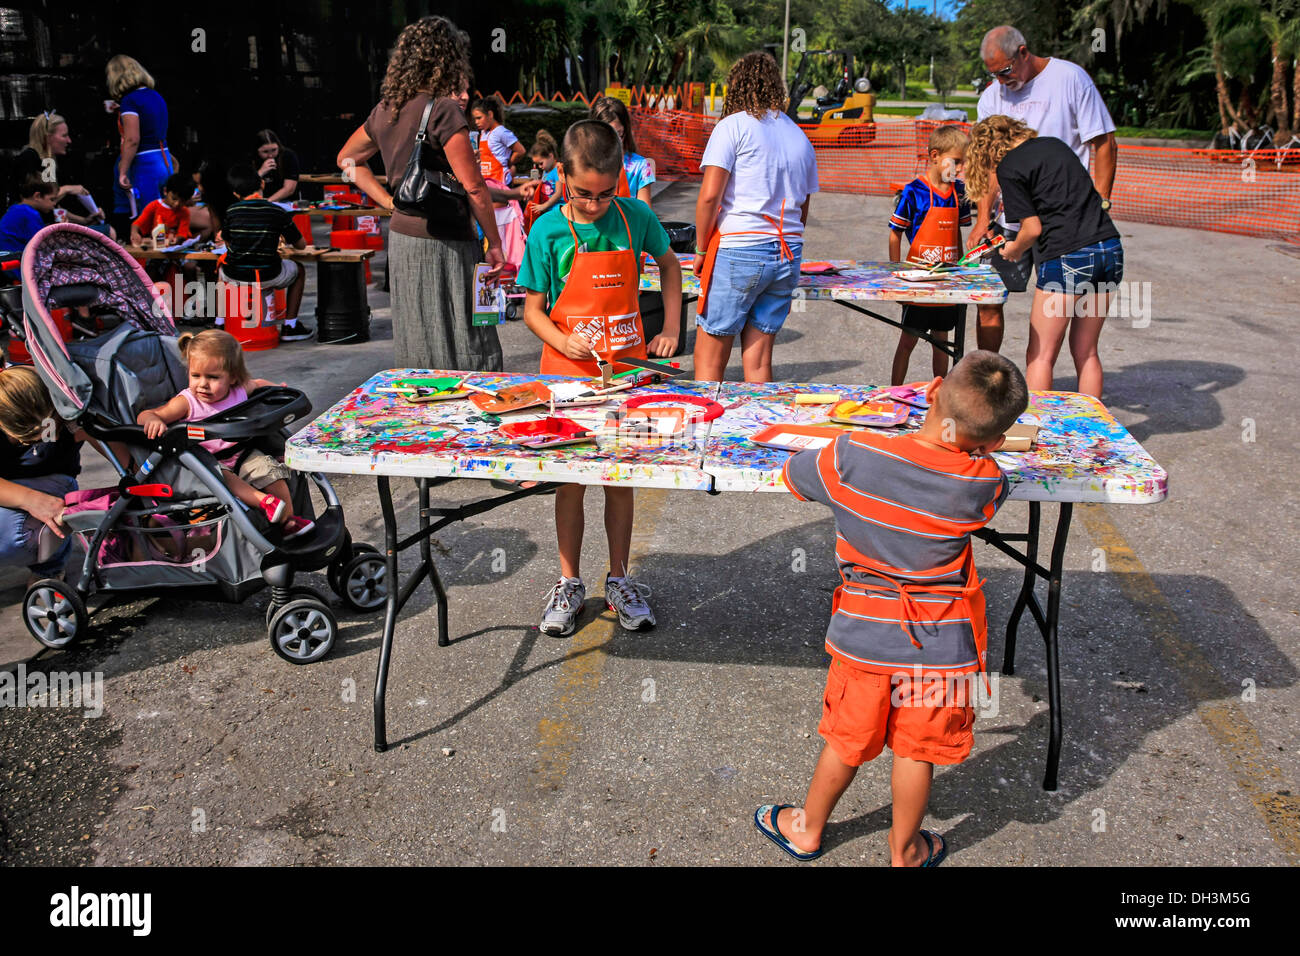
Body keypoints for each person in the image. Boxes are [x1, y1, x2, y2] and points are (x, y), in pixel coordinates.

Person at [755, 350, 1028, 865]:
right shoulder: (983, 483)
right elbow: (994, 478)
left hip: (864, 636)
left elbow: (795, 474)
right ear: (993, 441)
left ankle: (808, 828)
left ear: (930, 391)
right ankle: (904, 850)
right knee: (917, 750)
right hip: (943, 644)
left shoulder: (851, 455)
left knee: (846, 739)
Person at [516, 120, 682, 637]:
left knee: (620, 479)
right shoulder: (546, 230)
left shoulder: (635, 217)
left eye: (607, 193)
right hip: (568, 375)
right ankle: (569, 582)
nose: (595, 205)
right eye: (585, 194)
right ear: (563, 175)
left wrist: (672, 326)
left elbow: (671, 265)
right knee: (571, 481)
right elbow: (532, 310)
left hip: (626, 376)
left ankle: (619, 578)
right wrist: (560, 340)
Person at [335, 15, 505, 371]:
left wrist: (387, 202)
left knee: (419, 332)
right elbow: (474, 186)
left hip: (402, 238)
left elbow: (347, 160)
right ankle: (469, 407)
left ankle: (423, 407)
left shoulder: (386, 110)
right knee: (465, 331)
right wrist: (496, 244)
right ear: (447, 59)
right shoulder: (443, 110)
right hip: (448, 239)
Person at [969, 25, 1117, 354]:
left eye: (1005, 71)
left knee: (1051, 326)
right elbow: (989, 163)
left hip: (1061, 228)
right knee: (989, 301)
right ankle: (990, 379)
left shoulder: (1069, 79)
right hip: (1010, 223)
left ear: (1023, 52)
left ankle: (1050, 393)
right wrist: (983, 218)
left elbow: (1104, 143)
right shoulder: (992, 96)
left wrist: (1101, 203)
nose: (1001, 82)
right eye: (993, 74)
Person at [964, 116, 1122, 398]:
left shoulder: (1010, 167)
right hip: (1109, 249)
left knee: (1040, 355)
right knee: (1086, 352)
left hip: (1067, 256)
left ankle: (1040, 431)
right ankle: (1092, 429)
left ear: (987, 149)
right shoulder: (1054, 144)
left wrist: (1014, 249)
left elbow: (1031, 228)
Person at [693, 51, 818, 383]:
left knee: (709, 361)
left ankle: (709, 435)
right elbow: (803, 208)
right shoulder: (799, 137)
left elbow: (709, 197)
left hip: (739, 249)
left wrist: (702, 249)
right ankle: (757, 431)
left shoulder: (732, 127)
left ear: (737, 85)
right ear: (776, 86)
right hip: (788, 252)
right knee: (759, 362)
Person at [136, 330, 312, 538]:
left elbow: (260, 383)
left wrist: (279, 390)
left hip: (241, 453)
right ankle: (264, 502)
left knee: (272, 474)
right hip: (210, 462)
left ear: (233, 377)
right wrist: (152, 420)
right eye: (195, 375)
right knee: (226, 478)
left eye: (213, 377)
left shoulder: (238, 391)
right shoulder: (187, 402)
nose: (202, 384)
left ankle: (289, 521)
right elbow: (148, 414)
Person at [887, 125, 971, 386]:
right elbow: (895, 234)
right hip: (918, 282)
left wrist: (962, 265)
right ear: (935, 156)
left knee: (942, 341)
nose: (959, 169)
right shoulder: (914, 191)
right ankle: (894, 393)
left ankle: (940, 393)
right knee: (908, 340)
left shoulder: (959, 192)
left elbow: (956, 231)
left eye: (962, 163)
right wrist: (898, 277)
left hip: (947, 281)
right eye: (955, 162)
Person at [0, 367, 86, 585]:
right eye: (30, 438)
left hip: (49, 479)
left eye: (48, 427)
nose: (52, 435)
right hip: (14, 487)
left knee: (21, 536)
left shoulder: (59, 395)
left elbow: (106, 439)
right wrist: (32, 501)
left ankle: (49, 566)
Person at [217, 164, 313, 341]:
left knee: (222, 267)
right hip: (269, 274)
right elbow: (301, 245)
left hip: (235, 275)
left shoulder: (231, 211)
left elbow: (226, 240)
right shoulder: (277, 211)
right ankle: (290, 326)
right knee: (299, 269)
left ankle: (220, 321)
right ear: (262, 184)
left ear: (236, 194)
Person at [106, 55, 175, 239]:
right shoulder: (156, 96)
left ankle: (150, 262)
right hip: (164, 159)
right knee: (163, 213)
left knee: (148, 217)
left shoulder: (130, 101)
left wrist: (123, 170)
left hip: (146, 164)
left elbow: (132, 139)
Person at [12, 113, 112, 237]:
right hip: (32, 230)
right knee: (108, 233)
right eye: (64, 135)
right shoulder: (29, 158)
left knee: (105, 230)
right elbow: (32, 201)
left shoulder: (49, 162)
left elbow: (53, 206)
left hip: (46, 227)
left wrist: (85, 221)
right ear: (47, 137)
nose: (69, 140)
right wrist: (67, 189)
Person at [589, 96, 655, 205]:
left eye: (618, 134)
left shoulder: (640, 166)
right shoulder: (585, 163)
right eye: (605, 135)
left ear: (625, 130)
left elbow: (645, 213)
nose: (612, 141)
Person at [469, 96, 526, 188]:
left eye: (479, 118)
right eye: (475, 119)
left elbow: (521, 151)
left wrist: (508, 163)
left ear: (490, 114)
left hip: (500, 183)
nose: (476, 122)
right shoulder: (483, 133)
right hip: (487, 183)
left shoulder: (501, 132)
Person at [129, 171, 193, 245]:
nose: (177, 204)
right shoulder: (154, 206)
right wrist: (134, 233)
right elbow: (137, 224)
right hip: (156, 247)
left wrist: (176, 240)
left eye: (182, 201)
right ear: (165, 191)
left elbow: (182, 234)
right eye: (174, 199)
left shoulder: (184, 212)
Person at [0, 179, 57, 256]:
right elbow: (43, 244)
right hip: (15, 262)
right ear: (37, 196)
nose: (55, 203)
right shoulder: (29, 213)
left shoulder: (15, 208)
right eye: (52, 199)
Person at [253, 130, 301, 204]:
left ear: (278, 146)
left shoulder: (288, 156)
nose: (270, 155)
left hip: (286, 202)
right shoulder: (253, 159)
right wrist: (260, 172)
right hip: (259, 202)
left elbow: (289, 189)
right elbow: (247, 189)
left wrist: (268, 203)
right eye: (265, 152)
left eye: (274, 150)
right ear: (257, 151)